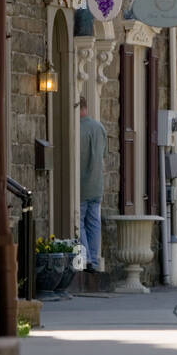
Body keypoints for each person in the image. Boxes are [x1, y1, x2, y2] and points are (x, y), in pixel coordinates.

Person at [79, 97, 107, 272]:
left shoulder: (78, 128)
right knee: (94, 223)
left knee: (79, 222)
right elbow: (103, 154)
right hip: (97, 185)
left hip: (81, 185)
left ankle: (85, 259)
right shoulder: (100, 128)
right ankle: (95, 261)